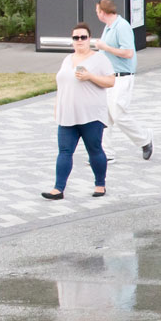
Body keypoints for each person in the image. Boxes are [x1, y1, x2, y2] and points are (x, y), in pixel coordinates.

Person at [45, 24, 117, 201]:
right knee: (64, 151)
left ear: (89, 39)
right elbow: (62, 86)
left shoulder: (99, 59)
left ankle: (100, 184)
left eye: (83, 37)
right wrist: (57, 107)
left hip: (91, 114)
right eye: (76, 38)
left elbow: (110, 81)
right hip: (67, 114)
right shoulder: (67, 59)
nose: (79, 40)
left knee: (94, 149)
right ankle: (58, 189)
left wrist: (90, 76)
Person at [91, 0, 152, 162]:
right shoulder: (108, 27)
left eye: (97, 11)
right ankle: (106, 153)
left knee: (118, 113)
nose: (97, 14)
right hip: (108, 76)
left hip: (122, 76)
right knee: (104, 115)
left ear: (103, 12)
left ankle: (144, 139)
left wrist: (105, 47)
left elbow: (128, 52)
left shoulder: (121, 26)